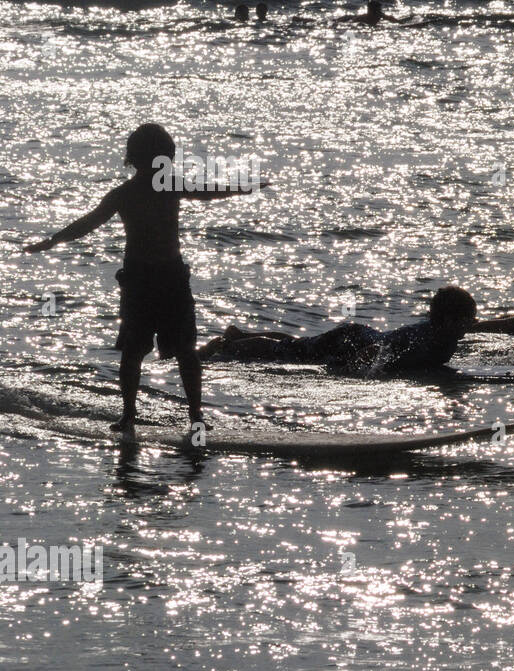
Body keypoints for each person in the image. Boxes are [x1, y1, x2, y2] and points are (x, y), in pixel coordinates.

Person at [22, 123, 261, 440]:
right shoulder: (129, 194)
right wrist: (53, 241)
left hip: (166, 279)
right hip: (143, 281)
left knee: (177, 351)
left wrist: (241, 188)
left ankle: (190, 416)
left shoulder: (161, 188)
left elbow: (207, 193)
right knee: (139, 352)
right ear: (143, 160)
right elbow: (87, 223)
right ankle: (133, 415)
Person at [201, 287, 477, 375]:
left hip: (361, 337)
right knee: (290, 353)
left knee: (300, 345)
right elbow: (379, 350)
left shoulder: (446, 338)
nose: (470, 325)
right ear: (449, 320)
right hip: (353, 341)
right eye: (466, 320)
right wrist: (352, 373)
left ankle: (240, 335)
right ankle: (227, 346)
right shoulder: (424, 338)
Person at [336, 0, 402, 27]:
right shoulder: (361, 19)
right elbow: (349, 23)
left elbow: (398, 22)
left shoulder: (381, 15)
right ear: (370, 11)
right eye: (376, 11)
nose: (378, 13)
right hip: (348, 19)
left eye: (379, 10)